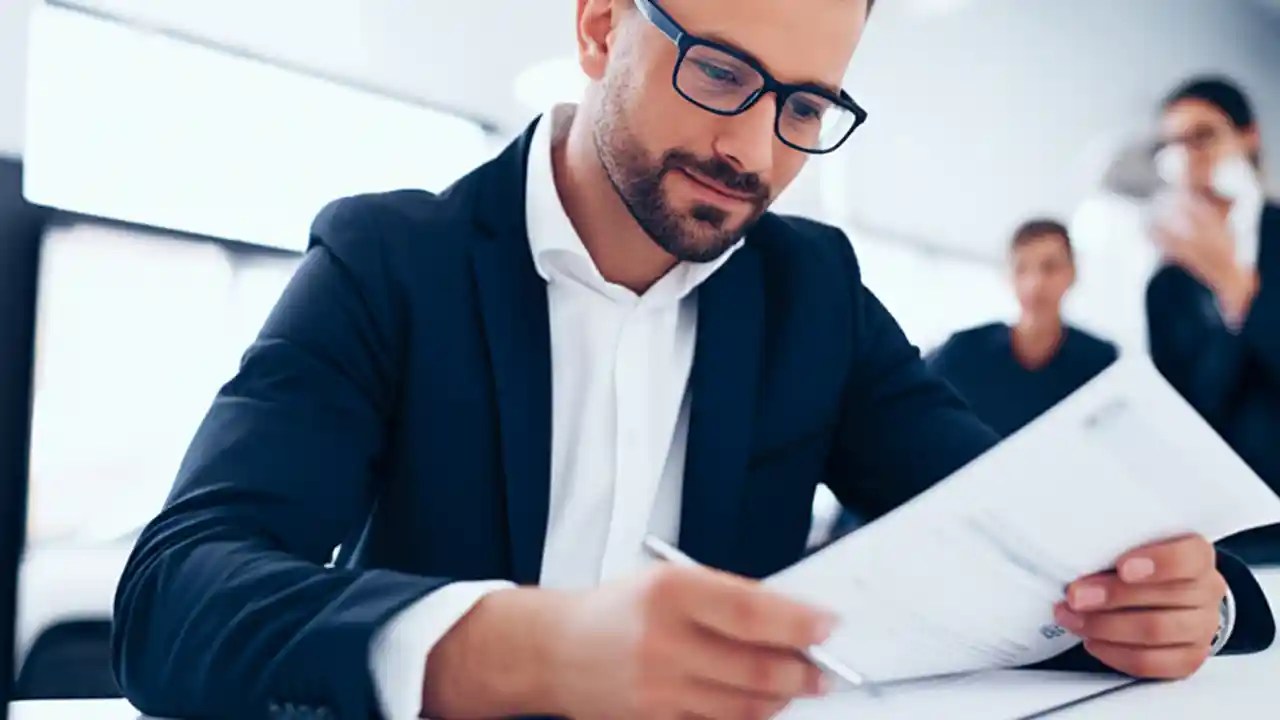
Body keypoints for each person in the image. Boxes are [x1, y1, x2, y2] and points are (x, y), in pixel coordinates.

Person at [112, 3, 1272, 719]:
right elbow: (173, 597)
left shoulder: (810, 292)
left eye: (805, 105)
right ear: (599, 26)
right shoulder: (389, 259)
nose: (752, 149)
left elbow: (1015, 532)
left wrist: (1189, 607)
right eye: (719, 72)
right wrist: (531, 650)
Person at [1147, 76, 1280, 561]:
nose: (1188, 155)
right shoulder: (1166, 284)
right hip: (1224, 536)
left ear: (1248, 137)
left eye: (1202, 134)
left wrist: (1237, 286)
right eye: (1172, 143)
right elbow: (1184, 415)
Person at [927, 219, 1118, 438]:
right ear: (1008, 275)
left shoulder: (1102, 363)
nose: (1035, 283)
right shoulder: (963, 351)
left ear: (1072, 273)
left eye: (1050, 267)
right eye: (1021, 269)